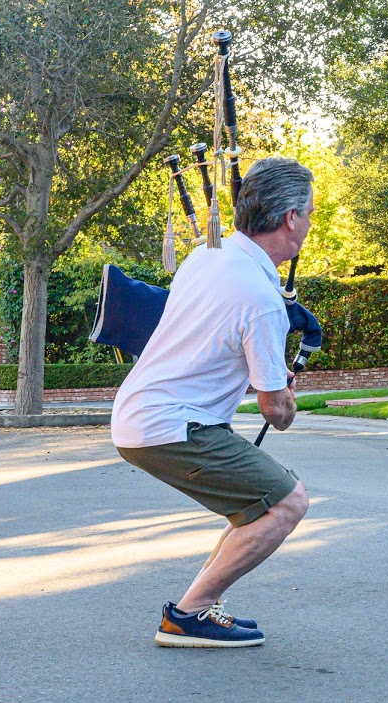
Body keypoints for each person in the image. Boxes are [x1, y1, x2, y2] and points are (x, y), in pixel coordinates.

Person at [111, 158, 314, 647]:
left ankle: (199, 607)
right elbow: (274, 413)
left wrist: (259, 373)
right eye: (309, 212)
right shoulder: (263, 299)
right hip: (173, 426)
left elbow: (207, 348)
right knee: (288, 503)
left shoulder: (207, 256)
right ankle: (189, 613)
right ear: (290, 218)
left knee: (254, 507)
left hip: (144, 416)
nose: (310, 223)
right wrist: (284, 397)